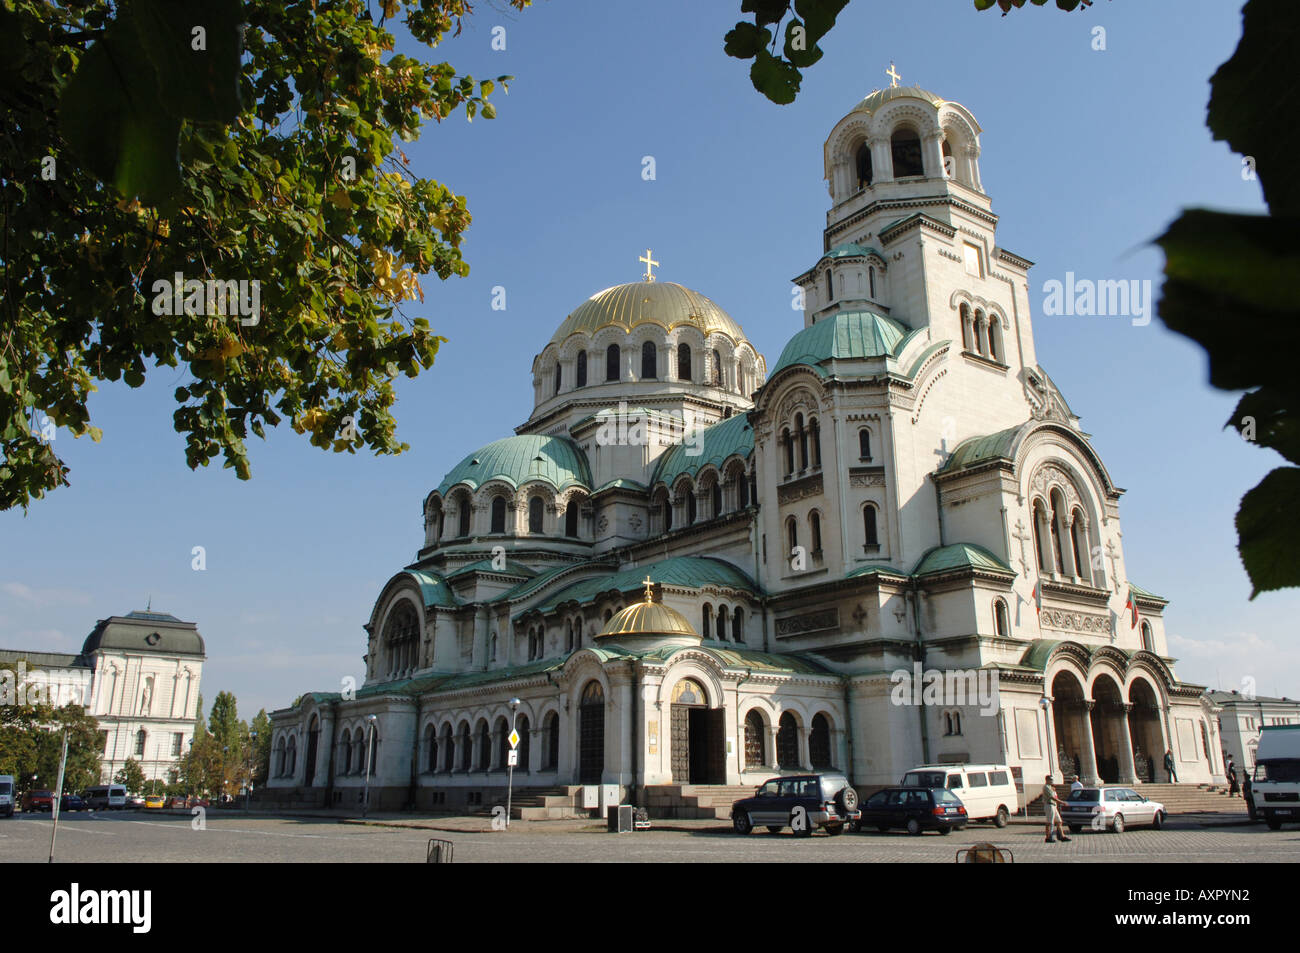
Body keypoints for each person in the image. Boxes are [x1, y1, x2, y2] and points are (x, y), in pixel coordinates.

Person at [1042, 775, 1071, 843]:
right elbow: (1052, 797)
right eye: (1050, 780)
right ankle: (1048, 837)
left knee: (1059, 821)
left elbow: (1055, 796)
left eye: (1052, 780)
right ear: (1047, 780)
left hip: (1054, 805)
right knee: (1050, 822)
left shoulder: (1051, 787)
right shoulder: (1046, 787)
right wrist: (1062, 802)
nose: (1051, 781)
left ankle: (1061, 836)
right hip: (1049, 805)